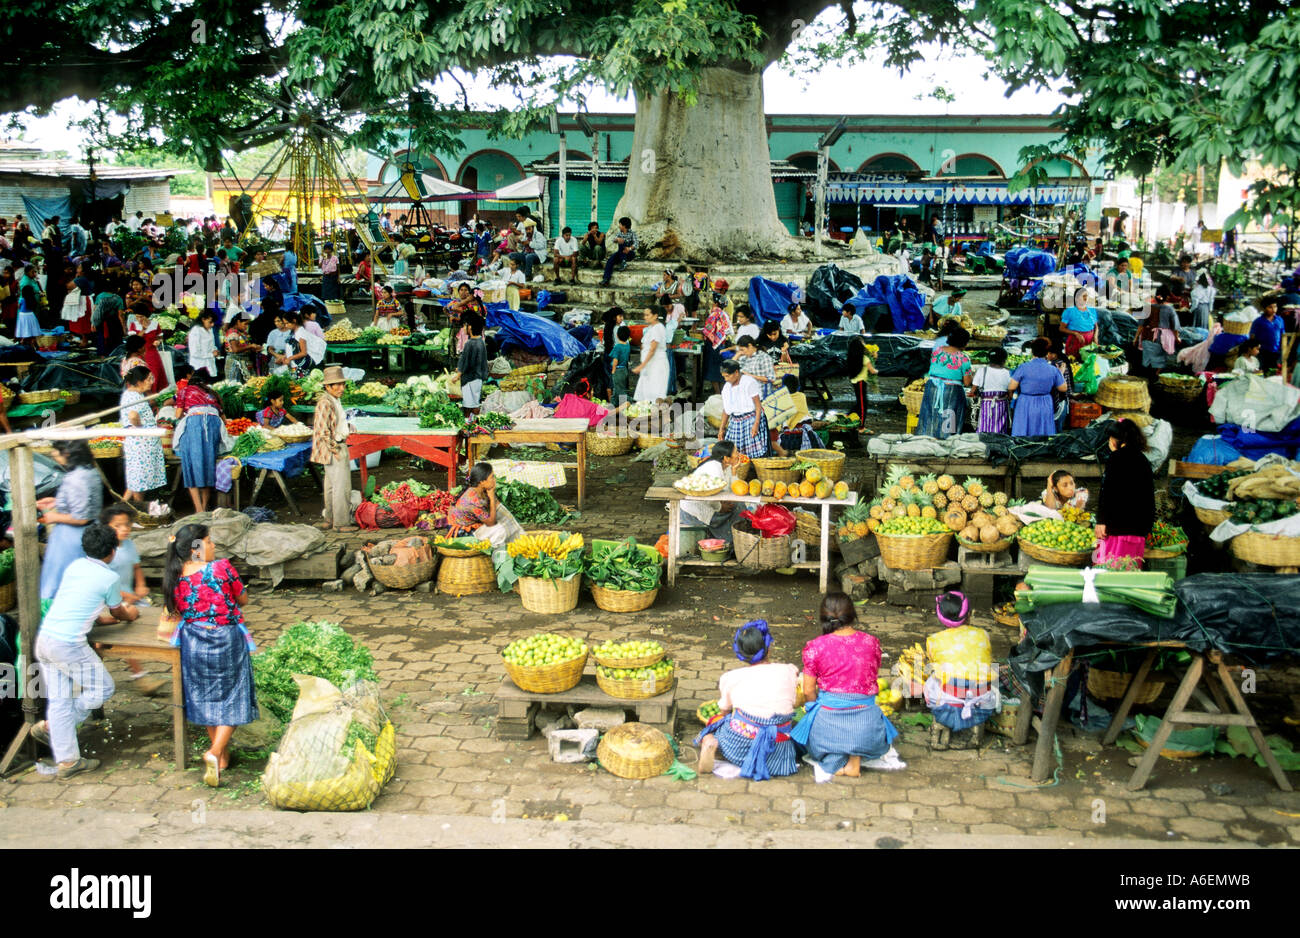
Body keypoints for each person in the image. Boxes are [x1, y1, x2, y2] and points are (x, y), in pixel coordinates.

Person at [31, 523, 139, 779]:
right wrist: (130, 614)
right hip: (67, 646)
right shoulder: (109, 577)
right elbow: (118, 611)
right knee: (103, 688)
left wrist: (106, 618)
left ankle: (68, 762)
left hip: (45, 639)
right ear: (112, 551)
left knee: (59, 700)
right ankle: (56, 728)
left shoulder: (75, 567)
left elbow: (87, 609)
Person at [163, 522, 257, 787]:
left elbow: (175, 612)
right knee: (233, 694)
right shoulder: (222, 568)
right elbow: (243, 599)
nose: (213, 545)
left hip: (193, 640)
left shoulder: (174, 575)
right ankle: (215, 751)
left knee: (204, 695)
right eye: (209, 541)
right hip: (225, 638)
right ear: (197, 546)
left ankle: (222, 757)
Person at [792, 592, 903, 781]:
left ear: (823, 617)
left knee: (805, 737)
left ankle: (836, 757)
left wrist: (812, 709)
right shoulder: (872, 642)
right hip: (871, 734)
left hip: (826, 730)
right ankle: (855, 755)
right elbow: (869, 677)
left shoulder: (815, 647)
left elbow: (808, 690)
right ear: (852, 615)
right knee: (859, 726)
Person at [694, 622, 799, 780]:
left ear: (740, 654)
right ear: (769, 647)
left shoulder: (730, 677)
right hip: (778, 754)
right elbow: (795, 698)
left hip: (739, 748)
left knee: (717, 722)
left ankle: (709, 742)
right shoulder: (789, 670)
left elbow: (724, 711)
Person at [101, 505, 166, 696]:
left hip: (132, 597)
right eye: (117, 526)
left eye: (127, 524)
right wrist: (125, 596)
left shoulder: (129, 544)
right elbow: (103, 581)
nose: (124, 529)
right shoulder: (105, 550)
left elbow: (137, 567)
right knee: (127, 634)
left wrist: (140, 585)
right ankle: (141, 677)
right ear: (106, 527)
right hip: (111, 600)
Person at [923, 591, 999, 739]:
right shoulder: (983, 634)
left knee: (932, 678)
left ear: (940, 617)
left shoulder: (933, 641)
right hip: (982, 709)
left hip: (946, 711)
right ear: (969, 614)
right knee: (989, 677)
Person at [38, 441, 105, 601]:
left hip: (71, 538)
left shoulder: (76, 478)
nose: (55, 457)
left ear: (67, 454)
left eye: (56, 453)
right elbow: (84, 501)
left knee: (62, 580)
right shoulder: (90, 470)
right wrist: (57, 501)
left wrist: (53, 517)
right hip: (89, 531)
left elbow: (81, 518)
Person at [1095, 419, 1155, 568]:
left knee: (1109, 570)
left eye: (1110, 438)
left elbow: (1107, 491)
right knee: (1129, 571)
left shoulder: (1116, 458)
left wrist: (1101, 521)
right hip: (1137, 530)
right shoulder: (1144, 460)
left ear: (1118, 440)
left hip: (1117, 529)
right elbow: (1149, 497)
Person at [309, 365, 357, 532]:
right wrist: (335, 449)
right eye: (336, 385)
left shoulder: (333, 400)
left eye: (342, 384)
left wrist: (348, 426)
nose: (341, 388)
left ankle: (329, 519)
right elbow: (322, 431)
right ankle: (341, 524)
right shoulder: (325, 402)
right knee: (341, 487)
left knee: (330, 486)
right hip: (333, 448)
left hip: (331, 448)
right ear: (327, 387)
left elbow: (332, 423)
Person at [173, 368, 225, 514]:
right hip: (213, 425)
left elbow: (177, 415)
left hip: (195, 425)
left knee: (190, 464)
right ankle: (205, 505)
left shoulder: (184, 390)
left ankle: (199, 510)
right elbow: (224, 420)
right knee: (208, 463)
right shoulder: (212, 393)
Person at [679, 440, 745, 542]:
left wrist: (734, 471)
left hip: (709, 504)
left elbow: (732, 489)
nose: (738, 455)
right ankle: (731, 544)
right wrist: (720, 507)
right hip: (692, 513)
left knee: (738, 506)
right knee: (737, 510)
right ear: (726, 458)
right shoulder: (714, 469)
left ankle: (737, 542)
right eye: (736, 452)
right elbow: (709, 497)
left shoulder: (725, 466)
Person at [446, 462, 524, 548]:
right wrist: (491, 497)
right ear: (482, 482)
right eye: (492, 477)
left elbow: (499, 508)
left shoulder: (479, 490)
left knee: (505, 522)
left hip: (473, 524)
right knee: (500, 529)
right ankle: (494, 553)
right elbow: (491, 523)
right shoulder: (474, 501)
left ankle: (519, 542)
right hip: (462, 534)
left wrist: (492, 497)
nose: (494, 480)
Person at [119, 365, 167, 502]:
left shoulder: (133, 395)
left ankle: (122, 505)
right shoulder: (134, 396)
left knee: (136, 478)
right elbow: (133, 416)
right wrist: (140, 426)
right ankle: (138, 512)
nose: (152, 382)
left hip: (141, 445)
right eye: (149, 379)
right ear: (139, 382)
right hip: (141, 446)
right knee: (140, 482)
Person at [917, 327, 973, 439]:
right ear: (964, 343)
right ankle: (946, 439)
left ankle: (926, 438)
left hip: (932, 386)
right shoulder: (964, 358)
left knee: (930, 413)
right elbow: (967, 382)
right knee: (949, 415)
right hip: (951, 390)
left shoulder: (937, 351)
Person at [1008, 338, 1066, 437]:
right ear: (1047, 353)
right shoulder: (1053, 369)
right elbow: (1063, 388)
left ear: (1032, 351)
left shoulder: (1023, 367)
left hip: (1025, 401)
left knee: (1023, 432)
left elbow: (1011, 386)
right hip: (1045, 402)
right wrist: (1061, 373)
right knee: (1043, 432)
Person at [717, 360, 768, 459]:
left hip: (751, 419)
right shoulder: (727, 388)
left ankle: (753, 468)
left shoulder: (749, 382)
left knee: (753, 452)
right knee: (734, 451)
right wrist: (721, 428)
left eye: (727, 376)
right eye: (724, 377)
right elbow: (726, 410)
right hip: (735, 421)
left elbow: (758, 405)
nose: (725, 379)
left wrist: (756, 424)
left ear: (736, 372)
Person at [452, 311, 489, 415]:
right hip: (478, 378)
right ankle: (475, 423)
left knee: (469, 405)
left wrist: (457, 375)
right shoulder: (481, 342)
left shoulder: (469, 343)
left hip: (469, 379)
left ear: (470, 327)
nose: (463, 328)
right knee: (475, 402)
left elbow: (465, 361)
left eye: (464, 326)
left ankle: (470, 425)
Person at [969, 347, 1012, 434]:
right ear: (1004, 360)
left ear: (989, 359)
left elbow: (973, 391)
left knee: (984, 426)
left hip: (986, 405)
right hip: (1002, 405)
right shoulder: (1008, 373)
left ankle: (983, 442)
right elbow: (1010, 393)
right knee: (1000, 427)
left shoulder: (982, 371)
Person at [632, 306, 669, 402]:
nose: (645, 317)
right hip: (650, 365)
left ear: (655, 316)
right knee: (646, 394)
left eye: (648, 315)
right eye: (645, 315)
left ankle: (659, 415)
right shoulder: (651, 328)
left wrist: (641, 366)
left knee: (655, 394)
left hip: (657, 365)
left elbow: (652, 349)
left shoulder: (658, 328)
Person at [700, 297, 733, 394]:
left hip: (712, 346)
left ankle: (717, 393)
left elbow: (707, 331)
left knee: (712, 371)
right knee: (721, 372)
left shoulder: (713, 315)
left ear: (715, 303)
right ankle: (722, 393)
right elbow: (729, 331)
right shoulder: (725, 315)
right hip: (722, 345)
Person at [1059, 287, 1100, 358]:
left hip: (1090, 341)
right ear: (1077, 298)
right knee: (1075, 362)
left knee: (1089, 362)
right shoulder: (1069, 311)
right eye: (1083, 296)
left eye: (1086, 296)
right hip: (1076, 340)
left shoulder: (1092, 310)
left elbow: (1096, 326)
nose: (1086, 298)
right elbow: (1061, 328)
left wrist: (1095, 337)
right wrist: (1076, 333)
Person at [1249, 295, 1284, 372]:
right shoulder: (1258, 322)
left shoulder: (1280, 320)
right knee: (1263, 371)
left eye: (1275, 307)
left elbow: (1283, 335)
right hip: (1263, 352)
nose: (1273, 310)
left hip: (1276, 352)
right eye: (1270, 307)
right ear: (1264, 308)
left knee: (1273, 372)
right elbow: (1252, 337)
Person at [600, 216, 637, 286]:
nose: (619, 226)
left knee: (622, 242)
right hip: (621, 253)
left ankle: (623, 261)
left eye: (620, 224)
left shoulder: (632, 233)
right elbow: (613, 240)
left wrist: (628, 248)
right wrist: (617, 239)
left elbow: (636, 244)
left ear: (624, 225)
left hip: (629, 253)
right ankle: (606, 279)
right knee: (610, 260)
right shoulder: (619, 233)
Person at [223, 315, 259, 383]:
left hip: (244, 361)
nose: (246, 326)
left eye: (248, 324)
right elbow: (235, 350)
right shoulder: (233, 333)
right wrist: (250, 346)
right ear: (238, 322)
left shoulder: (241, 333)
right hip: (235, 362)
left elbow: (244, 346)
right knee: (236, 385)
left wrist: (253, 348)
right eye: (245, 324)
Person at [187, 308, 219, 379]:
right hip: (199, 366)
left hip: (210, 364)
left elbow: (212, 344)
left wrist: (215, 350)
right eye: (210, 322)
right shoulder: (196, 331)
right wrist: (211, 354)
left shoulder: (210, 329)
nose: (212, 325)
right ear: (203, 319)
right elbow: (194, 353)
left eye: (213, 322)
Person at [609, 324, 632, 404]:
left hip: (617, 370)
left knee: (620, 391)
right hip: (624, 369)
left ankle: (630, 401)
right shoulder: (628, 346)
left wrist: (613, 370)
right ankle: (613, 406)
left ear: (617, 335)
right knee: (616, 389)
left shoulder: (617, 347)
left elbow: (615, 360)